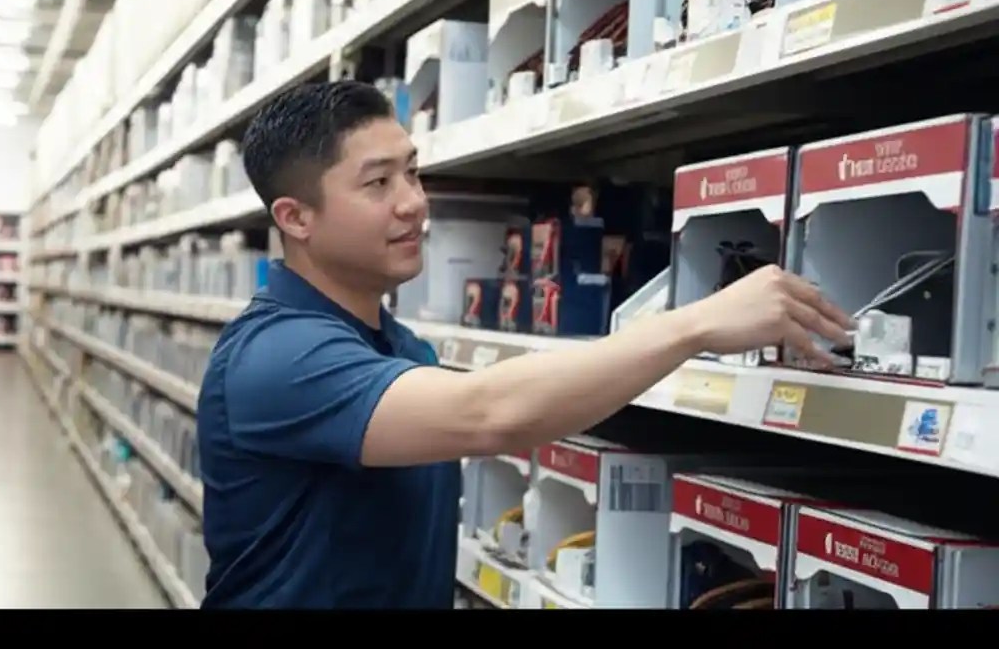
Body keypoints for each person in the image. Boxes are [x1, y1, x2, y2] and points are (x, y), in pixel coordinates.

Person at [194, 80, 852, 609]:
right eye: (378, 183)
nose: (414, 203)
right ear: (296, 217)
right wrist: (694, 324)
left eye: (413, 173)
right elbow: (491, 413)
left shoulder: (400, 346)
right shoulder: (274, 356)